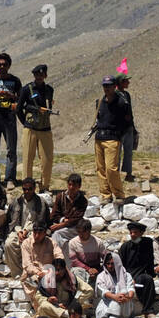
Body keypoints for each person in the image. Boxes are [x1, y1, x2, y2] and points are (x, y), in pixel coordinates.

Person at [0, 52, 23, 186]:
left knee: (11, 149)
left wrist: (11, 96)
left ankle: (10, 179)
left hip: (9, 118)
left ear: (9, 65)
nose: (2, 66)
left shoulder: (15, 80)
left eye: (4, 64)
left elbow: (20, 98)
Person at [16, 64, 55, 191]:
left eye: (41, 75)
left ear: (45, 76)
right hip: (30, 129)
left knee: (47, 159)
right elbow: (19, 108)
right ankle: (27, 186)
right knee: (27, 159)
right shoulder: (27, 89)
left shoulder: (49, 89)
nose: (39, 77)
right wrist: (26, 123)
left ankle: (45, 186)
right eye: (37, 75)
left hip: (45, 128)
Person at [93, 76, 129, 204]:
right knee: (100, 168)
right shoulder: (100, 101)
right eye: (104, 86)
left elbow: (127, 121)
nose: (106, 88)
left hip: (112, 139)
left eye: (109, 85)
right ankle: (105, 194)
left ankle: (119, 194)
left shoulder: (121, 102)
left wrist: (119, 135)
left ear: (114, 86)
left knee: (111, 168)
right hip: (99, 138)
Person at [94, 251, 138, 318]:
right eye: (108, 264)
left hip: (124, 306)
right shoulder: (101, 276)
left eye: (113, 264)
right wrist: (114, 297)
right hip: (107, 305)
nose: (110, 266)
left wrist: (128, 297)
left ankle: (106, 316)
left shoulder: (126, 275)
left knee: (122, 293)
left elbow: (131, 288)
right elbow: (102, 290)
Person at [3, 178, 45, 276]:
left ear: (34, 189)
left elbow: (40, 221)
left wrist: (27, 231)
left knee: (33, 244)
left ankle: (33, 273)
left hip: (34, 231)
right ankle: (17, 273)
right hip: (17, 230)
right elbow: (12, 221)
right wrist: (19, 232)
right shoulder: (17, 201)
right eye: (25, 189)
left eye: (29, 189)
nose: (27, 192)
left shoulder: (40, 203)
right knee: (9, 244)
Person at [48, 173, 88, 257]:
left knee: (57, 234)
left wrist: (61, 225)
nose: (71, 187)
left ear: (79, 186)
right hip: (63, 226)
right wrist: (62, 220)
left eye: (74, 185)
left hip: (74, 228)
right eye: (69, 185)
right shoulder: (60, 197)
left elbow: (76, 219)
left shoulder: (82, 200)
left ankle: (58, 258)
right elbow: (54, 215)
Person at [116, 74, 136, 182]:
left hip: (128, 128)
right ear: (121, 82)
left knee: (128, 152)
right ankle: (116, 174)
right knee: (117, 153)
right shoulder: (115, 95)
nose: (128, 83)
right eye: (126, 81)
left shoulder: (127, 95)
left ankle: (129, 173)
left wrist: (133, 126)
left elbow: (130, 111)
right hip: (119, 129)